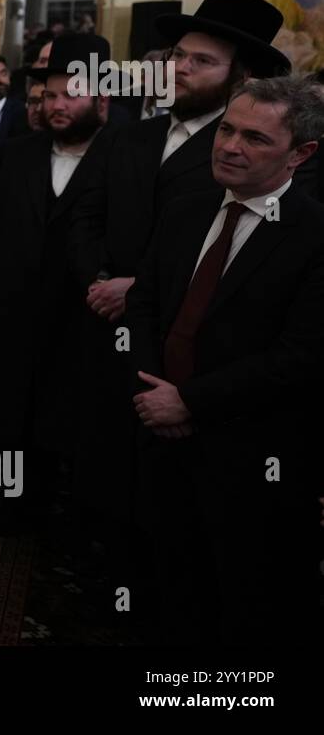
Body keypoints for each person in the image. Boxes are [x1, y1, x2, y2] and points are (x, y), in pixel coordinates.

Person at [68, 0, 293, 612]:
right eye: (177, 56)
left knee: (172, 485)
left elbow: (241, 260)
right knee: (104, 455)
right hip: (105, 324)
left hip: (184, 346)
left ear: (240, 77)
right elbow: (85, 213)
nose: (179, 69)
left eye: (201, 62)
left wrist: (135, 288)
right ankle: (106, 565)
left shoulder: (246, 152)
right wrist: (98, 282)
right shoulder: (126, 137)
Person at [127, 75, 324, 643]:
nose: (230, 146)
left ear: (301, 154)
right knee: (170, 589)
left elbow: (301, 356)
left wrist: (187, 401)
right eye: (227, 130)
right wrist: (150, 393)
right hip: (159, 441)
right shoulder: (184, 211)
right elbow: (143, 307)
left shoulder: (315, 237)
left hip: (253, 460)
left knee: (246, 604)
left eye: (256, 139)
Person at [0, 34, 116, 532]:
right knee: (12, 411)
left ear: (101, 99)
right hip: (16, 309)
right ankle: (16, 504)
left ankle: (79, 513)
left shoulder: (124, 158)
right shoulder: (14, 154)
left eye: (71, 94)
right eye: (50, 95)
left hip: (85, 318)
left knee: (74, 416)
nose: (57, 104)